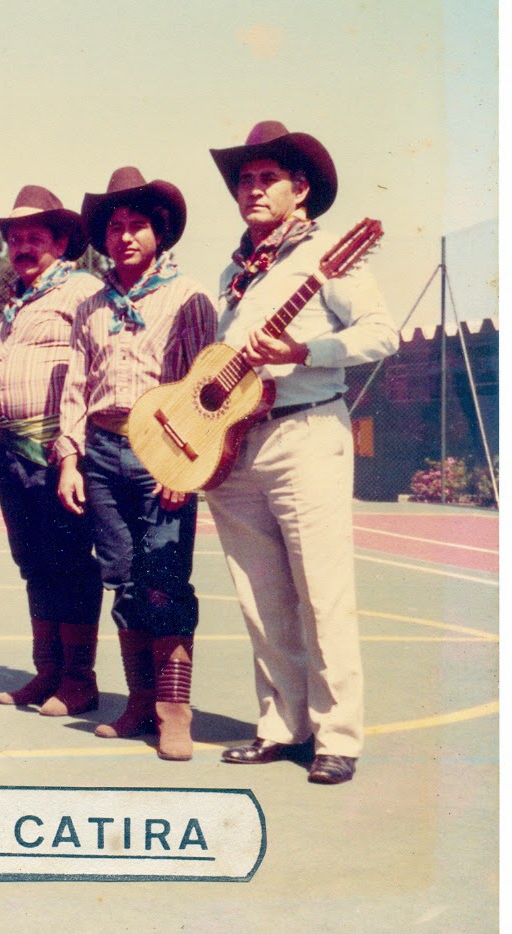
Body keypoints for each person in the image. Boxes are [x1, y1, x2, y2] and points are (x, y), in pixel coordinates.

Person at [206, 122, 397, 785]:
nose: (253, 190)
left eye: (268, 179)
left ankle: (336, 737)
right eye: (245, 180)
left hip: (306, 433)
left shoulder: (328, 256)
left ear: (301, 189)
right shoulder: (235, 269)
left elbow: (382, 334)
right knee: (259, 598)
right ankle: (282, 725)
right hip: (238, 445)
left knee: (322, 594)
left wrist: (304, 351)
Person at [56, 168, 216, 761]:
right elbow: (76, 387)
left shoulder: (189, 296)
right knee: (122, 578)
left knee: (164, 578)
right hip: (101, 452)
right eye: (115, 227)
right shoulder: (91, 306)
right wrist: (70, 459)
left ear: (160, 232)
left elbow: (206, 390)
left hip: (163, 453)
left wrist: (184, 466)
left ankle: (174, 713)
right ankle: (140, 703)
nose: (124, 236)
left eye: (137, 225)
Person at [0, 186, 104, 713]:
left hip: (58, 451)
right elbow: (6, 369)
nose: (22, 247)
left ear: (61, 242)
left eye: (34, 238)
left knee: (70, 563)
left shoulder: (82, 290)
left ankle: (78, 679)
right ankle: (46, 672)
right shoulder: (16, 301)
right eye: (14, 239)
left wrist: (75, 447)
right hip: (11, 451)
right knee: (33, 564)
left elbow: (97, 363)